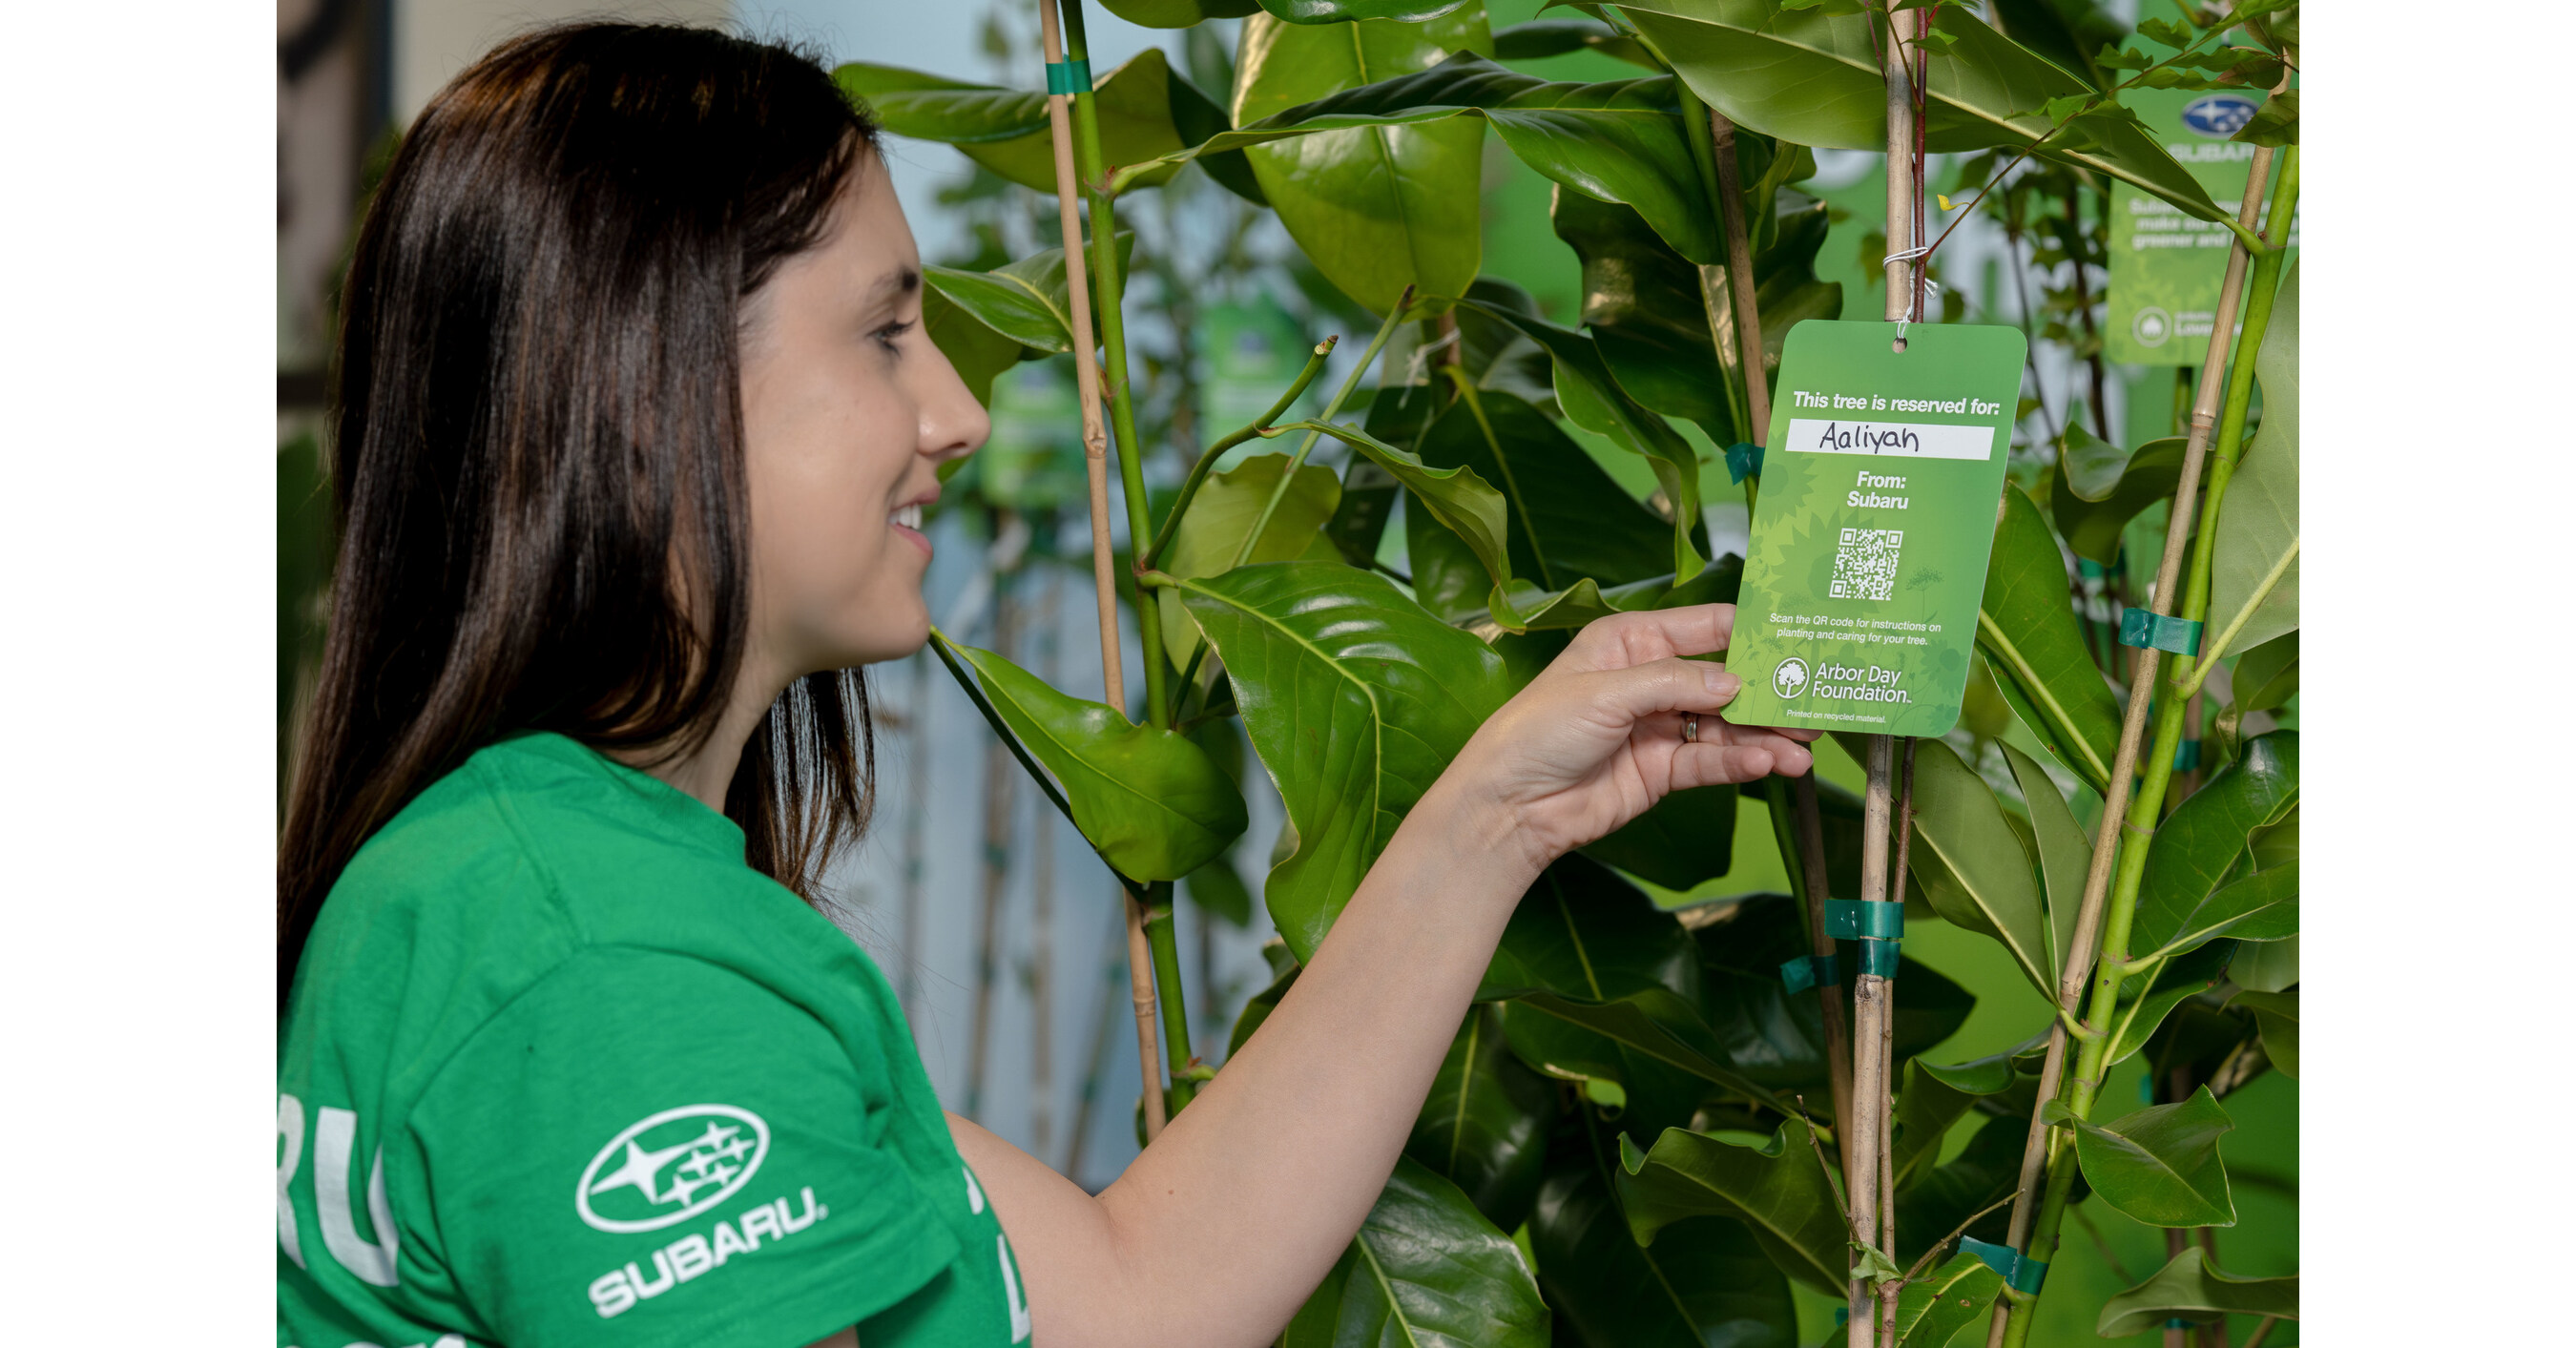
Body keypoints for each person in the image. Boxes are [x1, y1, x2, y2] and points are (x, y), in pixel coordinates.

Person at [274, 23, 1820, 1348]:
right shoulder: (603, 969)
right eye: (884, 335)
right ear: (641, 395)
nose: (950, 408)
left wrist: (1493, 817)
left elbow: (1137, 1292)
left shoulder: (544, 893)